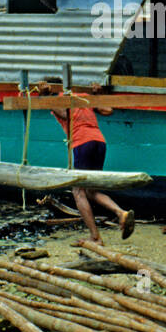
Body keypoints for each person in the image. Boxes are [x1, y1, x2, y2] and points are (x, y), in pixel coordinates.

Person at [36, 78, 134, 244]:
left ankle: (95, 237)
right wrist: (98, 95)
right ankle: (121, 213)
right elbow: (108, 109)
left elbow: (64, 114)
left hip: (82, 142)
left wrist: (46, 98)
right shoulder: (82, 96)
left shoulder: (58, 99)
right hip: (99, 142)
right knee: (91, 191)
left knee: (78, 192)